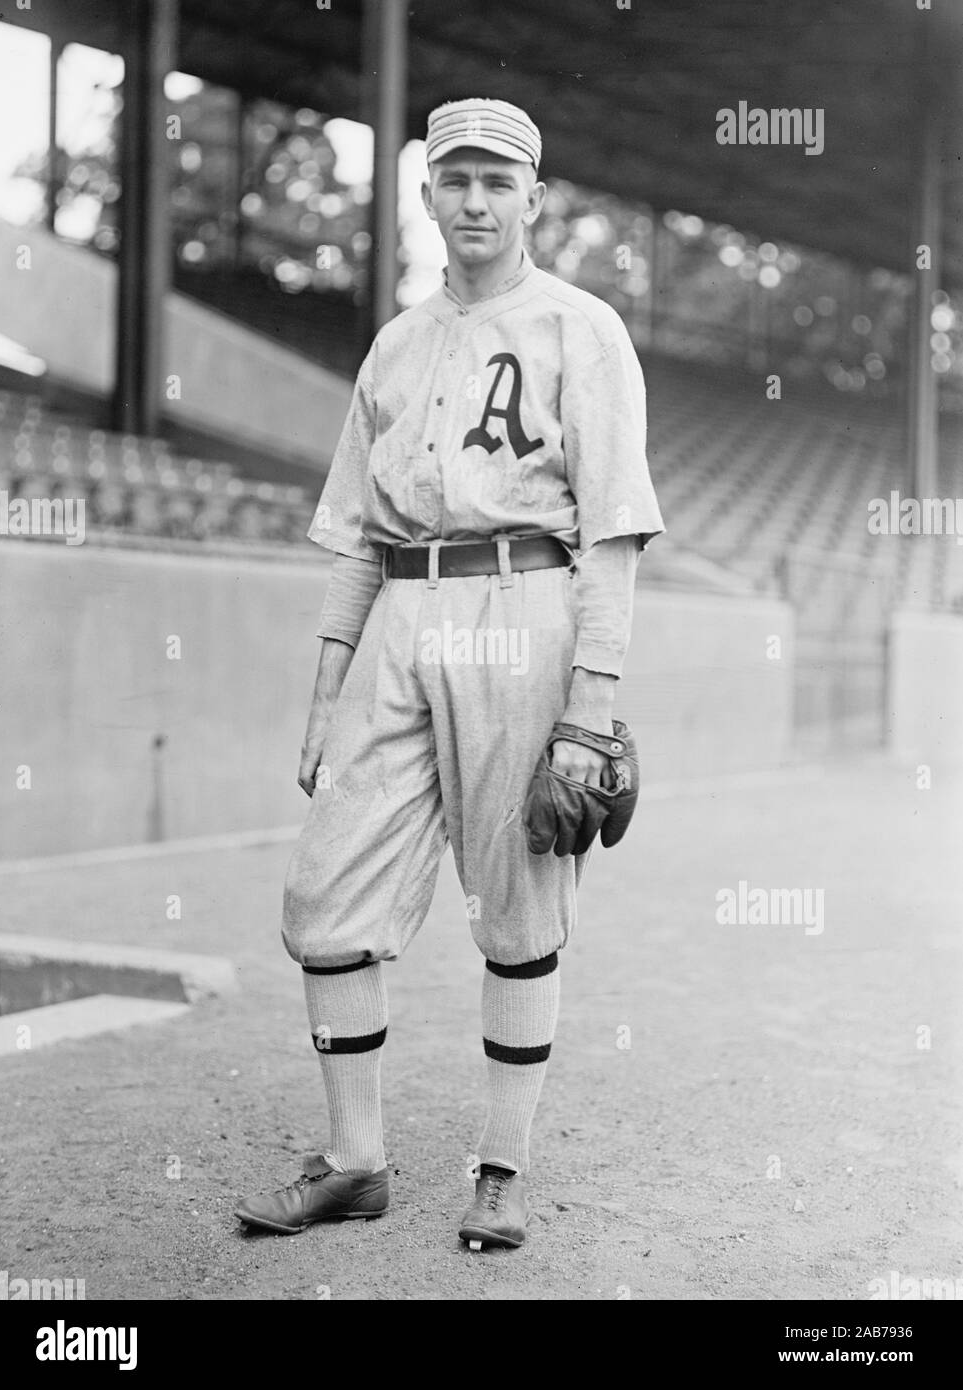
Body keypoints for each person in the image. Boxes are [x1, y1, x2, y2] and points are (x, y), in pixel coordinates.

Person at [235, 97, 665, 1251]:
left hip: (520, 604)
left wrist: (591, 707)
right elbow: (356, 538)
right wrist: (326, 693)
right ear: (426, 193)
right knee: (323, 896)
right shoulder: (394, 343)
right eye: (454, 177)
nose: (474, 199)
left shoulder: (583, 328)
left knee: (517, 903)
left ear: (533, 198)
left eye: (496, 180)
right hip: (399, 617)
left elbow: (613, 534)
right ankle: (355, 1160)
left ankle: (500, 1168)